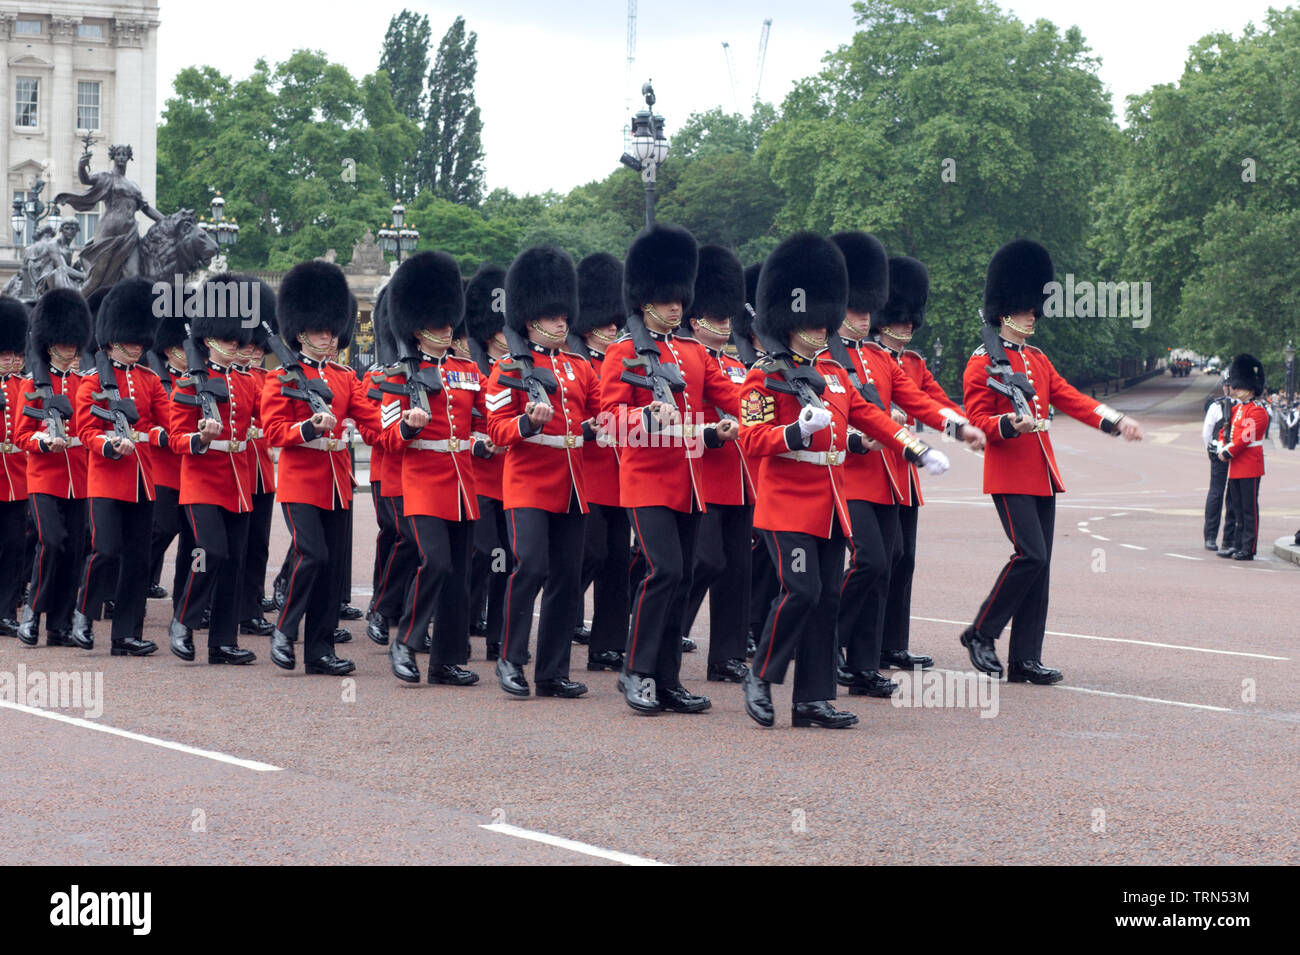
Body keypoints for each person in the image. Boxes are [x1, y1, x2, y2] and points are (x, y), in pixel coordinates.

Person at [737, 232, 951, 729]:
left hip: (830, 504)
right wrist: (794, 431)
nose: (818, 328)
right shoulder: (765, 376)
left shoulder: (833, 372)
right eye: (809, 321)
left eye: (822, 319)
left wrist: (915, 449)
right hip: (786, 506)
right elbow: (751, 438)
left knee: (828, 599)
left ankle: (813, 699)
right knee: (801, 590)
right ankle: (762, 674)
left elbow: (871, 417)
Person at [959, 240, 1143, 684]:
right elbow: (977, 420)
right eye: (1025, 310)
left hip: (1041, 473)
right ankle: (981, 632)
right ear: (1005, 312)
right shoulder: (982, 364)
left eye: (1033, 309)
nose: (1032, 316)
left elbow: (1072, 399)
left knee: (1041, 566)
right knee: (1030, 555)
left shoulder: (1037, 360)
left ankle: (1025, 659)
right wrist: (1010, 425)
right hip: (1008, 472)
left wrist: (1115, 420)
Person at [829, 233, 985, 698]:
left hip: (884, 480)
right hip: (844, 476)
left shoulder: (878, 357)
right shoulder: (821, 360)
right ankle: (825, 642)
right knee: (871, 561)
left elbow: (919, 399)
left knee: (885, 565)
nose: (864, 317)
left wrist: (958, 428)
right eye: (856, 310)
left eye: (865, 310)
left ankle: (864, 663)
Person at [600, 223, 741, 714]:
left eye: (679, 298)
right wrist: (643, 415)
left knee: (681, 578)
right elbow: (608, 421)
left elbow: (736, 397)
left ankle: (667, 680)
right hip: (645, 481)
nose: (676, 307)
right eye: (666, 299)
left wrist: (766, 407)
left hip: (690, 483)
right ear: (644, 301)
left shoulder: (695, 354)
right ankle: (635, 670)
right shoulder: (624, 353)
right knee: (664, 571)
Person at [486, 246, 600, 699]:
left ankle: (552, 671)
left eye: (562, 315)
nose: (561, 323)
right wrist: (527, 423)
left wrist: (632, 422)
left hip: (572, 484)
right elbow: (496, 429)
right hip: (529, 482)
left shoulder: (578, 367)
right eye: (551, 317)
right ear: (530, 319)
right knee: (530, 567)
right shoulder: (508, 368)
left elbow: (599, 415)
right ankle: (511, 659)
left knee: (567, 581)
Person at [260, 261, 378, 676]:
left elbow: (370, 419)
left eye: (331, 330)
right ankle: (284, 628)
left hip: (337, 482)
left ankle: (320, 650)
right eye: (319, 331)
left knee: (331, 568)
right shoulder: (281, 378)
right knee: (311, 554)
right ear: (300, 332)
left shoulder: (345, 378)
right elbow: (273, 431)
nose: (327, 337)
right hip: (300, 480)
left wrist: (407, 425)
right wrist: (308, 426)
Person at [373, 251, 485, 685]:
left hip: (462, 484)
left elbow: (479, 421)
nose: (445, 331)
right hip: (421, 482)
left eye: (448, 324)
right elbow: (383, 435)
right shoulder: (399, 377)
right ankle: (407, 641)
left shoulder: (466, 369)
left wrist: (485, 437)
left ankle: (447, 660)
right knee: (435, 562)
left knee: (459, 574)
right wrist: (406, 426)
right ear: (417, 329)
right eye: (437, 325)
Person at [872, 255, 982, 670]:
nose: (906, 327)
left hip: (906, 475)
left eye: (909, 321)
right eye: (899, 321)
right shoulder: (861, 358)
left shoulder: (914, 363)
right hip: (872, 470)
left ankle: (892, 644)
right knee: (876, 563)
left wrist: (966, 428)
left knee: (904, 560)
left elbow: (936, 402)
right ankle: (856, 643)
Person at [71, 277, 171, 655]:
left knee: (138, 561)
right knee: (106, 551)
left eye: (140, 342)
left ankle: (126, 634)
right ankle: (84, 613)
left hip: (143, 482)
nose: (136, 348)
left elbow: (164, 423)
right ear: (112, 340)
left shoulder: (149, 380)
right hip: (107, 480)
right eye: (130, 342)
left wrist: (163, 437)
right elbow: (85, 429)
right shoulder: (92, 381)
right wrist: (109, 444)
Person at [165, 274, 260, 665]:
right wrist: (200, 438)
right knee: (209, 552)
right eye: (226, 340)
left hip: (237, 481)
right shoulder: (189, 383)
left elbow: (263, 418)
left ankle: (222, 642)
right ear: (208, 341)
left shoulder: (247, 382)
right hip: (202, 480)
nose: (233, 346)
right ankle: (183, 620)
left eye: (236, 340)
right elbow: (175, 437)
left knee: (235, 562)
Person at [679, 245, 755, 684]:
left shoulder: (737, 364)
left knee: (736, 571)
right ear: (696, 321)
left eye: (729, 318)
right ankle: (668, 634)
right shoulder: (686, 362)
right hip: (702, 474)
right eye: (718, 318)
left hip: (739, 479)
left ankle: (726, 657)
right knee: (703, 562)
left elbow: (747, 405)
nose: (726, 326)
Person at [15, 290, 90, 647]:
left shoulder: (86, 384)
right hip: (44, 477)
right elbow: (20, 434)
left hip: (80, 478)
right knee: (52, 543)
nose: (69, 350)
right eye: (62, 344)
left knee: (74, 549)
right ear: (49, 345)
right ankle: (32, 612)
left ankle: (59, 626)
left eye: (73, 344)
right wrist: (43, 441)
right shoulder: (31, 386)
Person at [570, 253, 630, 673]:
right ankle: (563, 612)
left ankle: (607, 646)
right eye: (607, 323)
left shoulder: (625, 364)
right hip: (587, 474)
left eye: (616, 322)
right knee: (588, 554)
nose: (614, 328)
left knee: (615, 561)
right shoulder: (576, 366)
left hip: (620, 476)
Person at [463, 265, 512, 661]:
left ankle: (499, 635)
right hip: (477, 477)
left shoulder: (523, 369)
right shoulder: (470, 372)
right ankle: (462, 618)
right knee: (483, 553)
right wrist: (479, 444)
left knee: (508, 559)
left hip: (512, 478)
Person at [54, 144, 164, 296]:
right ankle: (77, 302)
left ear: (128, 157)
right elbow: (86, 179)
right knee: (95, 279)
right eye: (118, 154)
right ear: (113, 157)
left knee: (134, 275)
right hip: (109, 233)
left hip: (130, 235)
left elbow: (147, 209)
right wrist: (81, 166)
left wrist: (167, 220)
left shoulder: (134, 186)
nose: (121, 157)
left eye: (124, 154)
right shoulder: (106, 177)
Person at [233, 283, 279, 636]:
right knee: (234, 545)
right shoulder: (226, 380)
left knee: (258, 545)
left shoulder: (266, 379)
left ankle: (251, 606)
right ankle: (227, 604)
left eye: (257, 347)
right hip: (234, 471)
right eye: (246, 347)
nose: (253, 353)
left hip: (261, 469)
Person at [1216, 354, 1269, 561]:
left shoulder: (1258, 411)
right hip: (1236, 466)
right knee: (1236, 508)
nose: (1235, 388)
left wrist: (1227, 451)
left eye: (1239, 385)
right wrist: (1221, 444)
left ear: (1250, 386)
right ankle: (1237, 544)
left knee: (1249, 510)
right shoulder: (1237, 409)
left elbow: (1244, 439)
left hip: (1249, 465)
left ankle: (1249, 547)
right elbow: (1224, 431)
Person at [0, 297, 29, 636]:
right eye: (5, 355)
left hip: (18, 478)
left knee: (13, 548)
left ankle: (6, 611)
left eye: (16, 356)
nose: (11, 362)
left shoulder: (28, 387)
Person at [1202, 374, 1237, 551]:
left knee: (1219, 493)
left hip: (1222, 452)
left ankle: (1214, 537)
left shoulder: (1217, 406)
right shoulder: (1226, 405)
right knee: (1226, 494)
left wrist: (1209, 449)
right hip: (1230, 453)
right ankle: (1221, 538)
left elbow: (1206, 433)